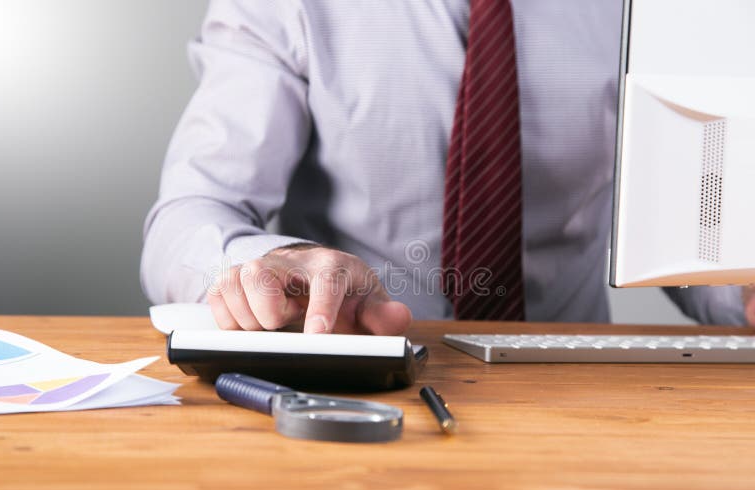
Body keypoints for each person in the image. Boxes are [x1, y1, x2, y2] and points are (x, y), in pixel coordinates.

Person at [141, 0, 753, 334]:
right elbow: (193, 216)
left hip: (576, 382)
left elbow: (676, 225)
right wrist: (267, 267)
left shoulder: (646, 8)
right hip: (358, 373)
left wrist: (739, 291)